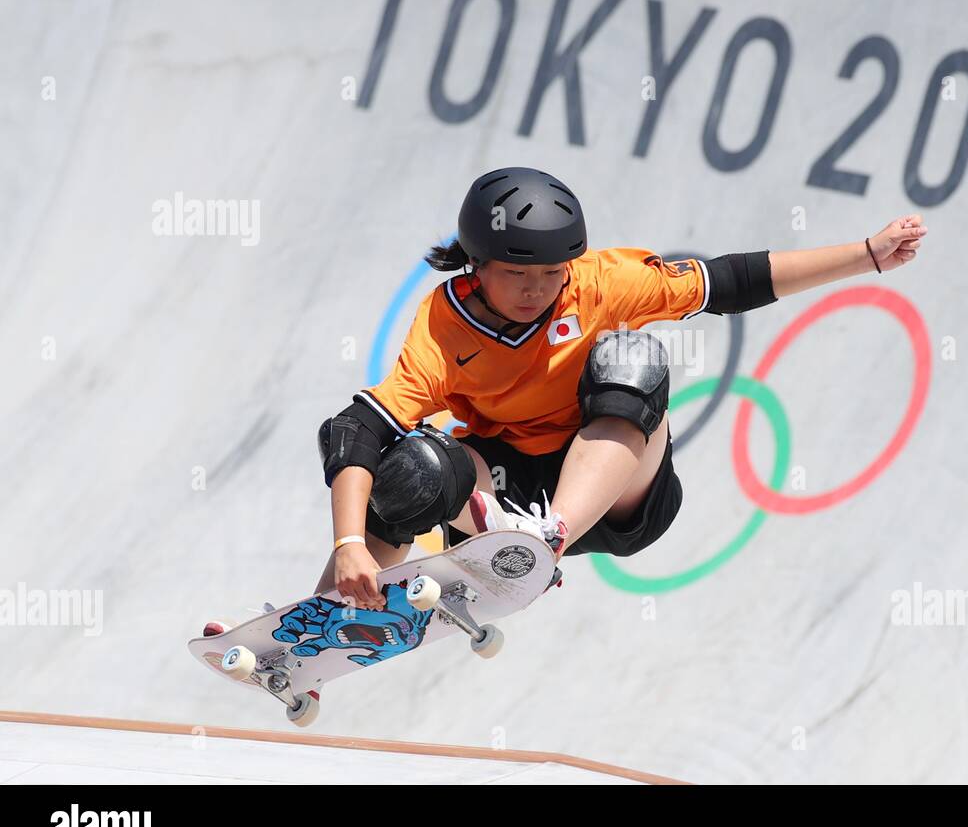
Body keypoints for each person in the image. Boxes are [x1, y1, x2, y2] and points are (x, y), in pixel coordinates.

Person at [206, 166, 925, 634]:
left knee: (632, 359)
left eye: (554, 274)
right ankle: (316, 623)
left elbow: (732, 279)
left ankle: (544, 542)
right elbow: (357, 431)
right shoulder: (442, 321)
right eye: (520, 275)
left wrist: (865, 254)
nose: (540, 290)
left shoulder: (601, 283)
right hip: (505, 487)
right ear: (476, 264)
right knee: (413, 469)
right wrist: (348, 546)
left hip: (616, 495)